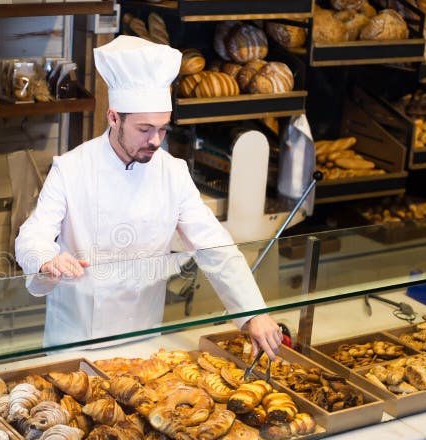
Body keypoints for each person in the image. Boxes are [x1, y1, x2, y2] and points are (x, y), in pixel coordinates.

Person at [15, 35, 282, 358]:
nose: (155, 141)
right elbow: (33, 233)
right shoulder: (71, 168)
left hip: (141, 341)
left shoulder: (173, 173)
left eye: (163, 129)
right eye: (144, 129)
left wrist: (253, 313)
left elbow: (215, 247)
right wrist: (47, 259)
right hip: (74, 340)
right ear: (114, 118)